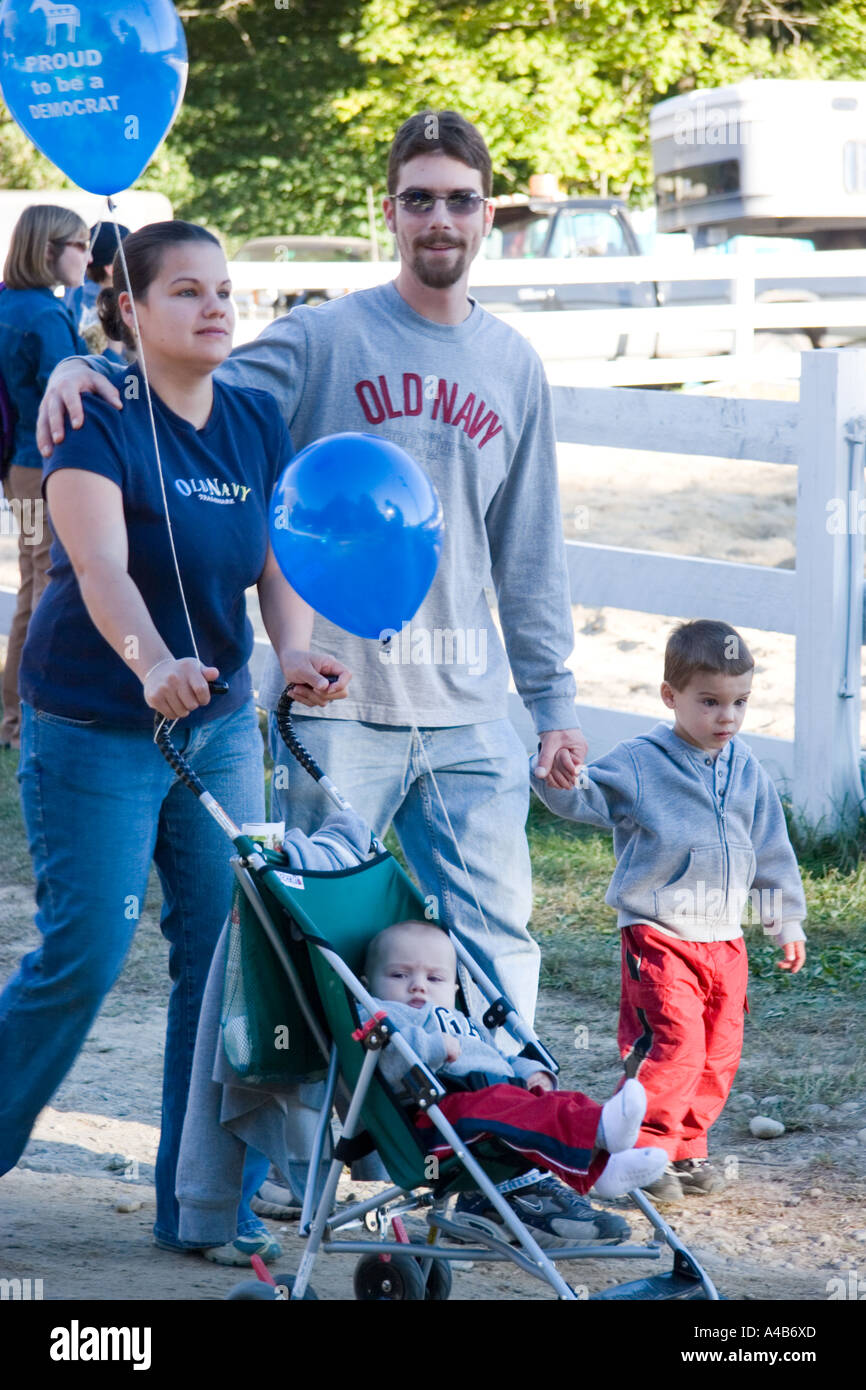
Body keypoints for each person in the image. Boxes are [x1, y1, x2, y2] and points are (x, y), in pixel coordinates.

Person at [35, 110, 630, 1248]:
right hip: (337, 709)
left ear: (486, 211)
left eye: (461, 197)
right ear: (391, 210)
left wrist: (551, 700)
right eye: (419, 198)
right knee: (316, 952)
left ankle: (491, 1166)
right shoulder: (319, 342)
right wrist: (83, 358)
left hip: (468, 714)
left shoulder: (513, 363)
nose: (439, 218)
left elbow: (531, 548)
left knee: (491, 948)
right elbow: (175, 380)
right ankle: (303, 1171)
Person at [0, 220, 350, 1262]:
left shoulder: (252, 420)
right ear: (130, 310)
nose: (214, 306)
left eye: (224, 289)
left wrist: (293, 653)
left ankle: (203, 1204)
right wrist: (152, 662)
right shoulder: (94, 418)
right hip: (93, 723)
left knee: (223, 958)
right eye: (186, 290)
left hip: (217, 727)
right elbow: (98, 568)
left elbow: (276, 564)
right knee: (86, 952)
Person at [531, 619, 808, 1203]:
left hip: (724, 938)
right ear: (670, 697)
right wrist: (555, 778)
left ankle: (685, 1148)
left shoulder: (747, 769)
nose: (726, 717)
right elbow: (585, 797)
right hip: (659, 932)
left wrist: (784, 917)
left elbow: (770, 848)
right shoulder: (642, 760)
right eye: (709, 701)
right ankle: (641, 1151)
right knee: (672, 1042)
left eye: (739, 702)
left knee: (717, 1049)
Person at [362, 920, 668, 1208]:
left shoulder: (463, 1022)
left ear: (454, 990)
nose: (418, 986)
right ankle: (600, 1131)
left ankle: (603, 1166)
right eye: (399, 975)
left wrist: (528, 1072)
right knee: (516, 1109)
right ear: (367, 984)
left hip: (495, 1099)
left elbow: (500, 1057)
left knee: (556, 1103)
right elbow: (384, 1062)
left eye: (434, 978)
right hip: (438, 1118)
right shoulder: (382, 1016)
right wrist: (432, 1047)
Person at [0, 205, 89, 749]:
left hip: (21, 468)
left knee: (33, 584)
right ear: (48, 249)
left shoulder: (11, 302)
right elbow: (73, 396)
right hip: (43, 469)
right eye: (78, 244)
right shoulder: (43, 315)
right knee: (40, 588)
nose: (88, 255)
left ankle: (14, 717)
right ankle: (20, 718)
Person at [64, 221, 131, 362]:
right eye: (132, 261)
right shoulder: (107, 304)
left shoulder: (75, 288)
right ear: (111, 268)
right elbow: (108, 367)